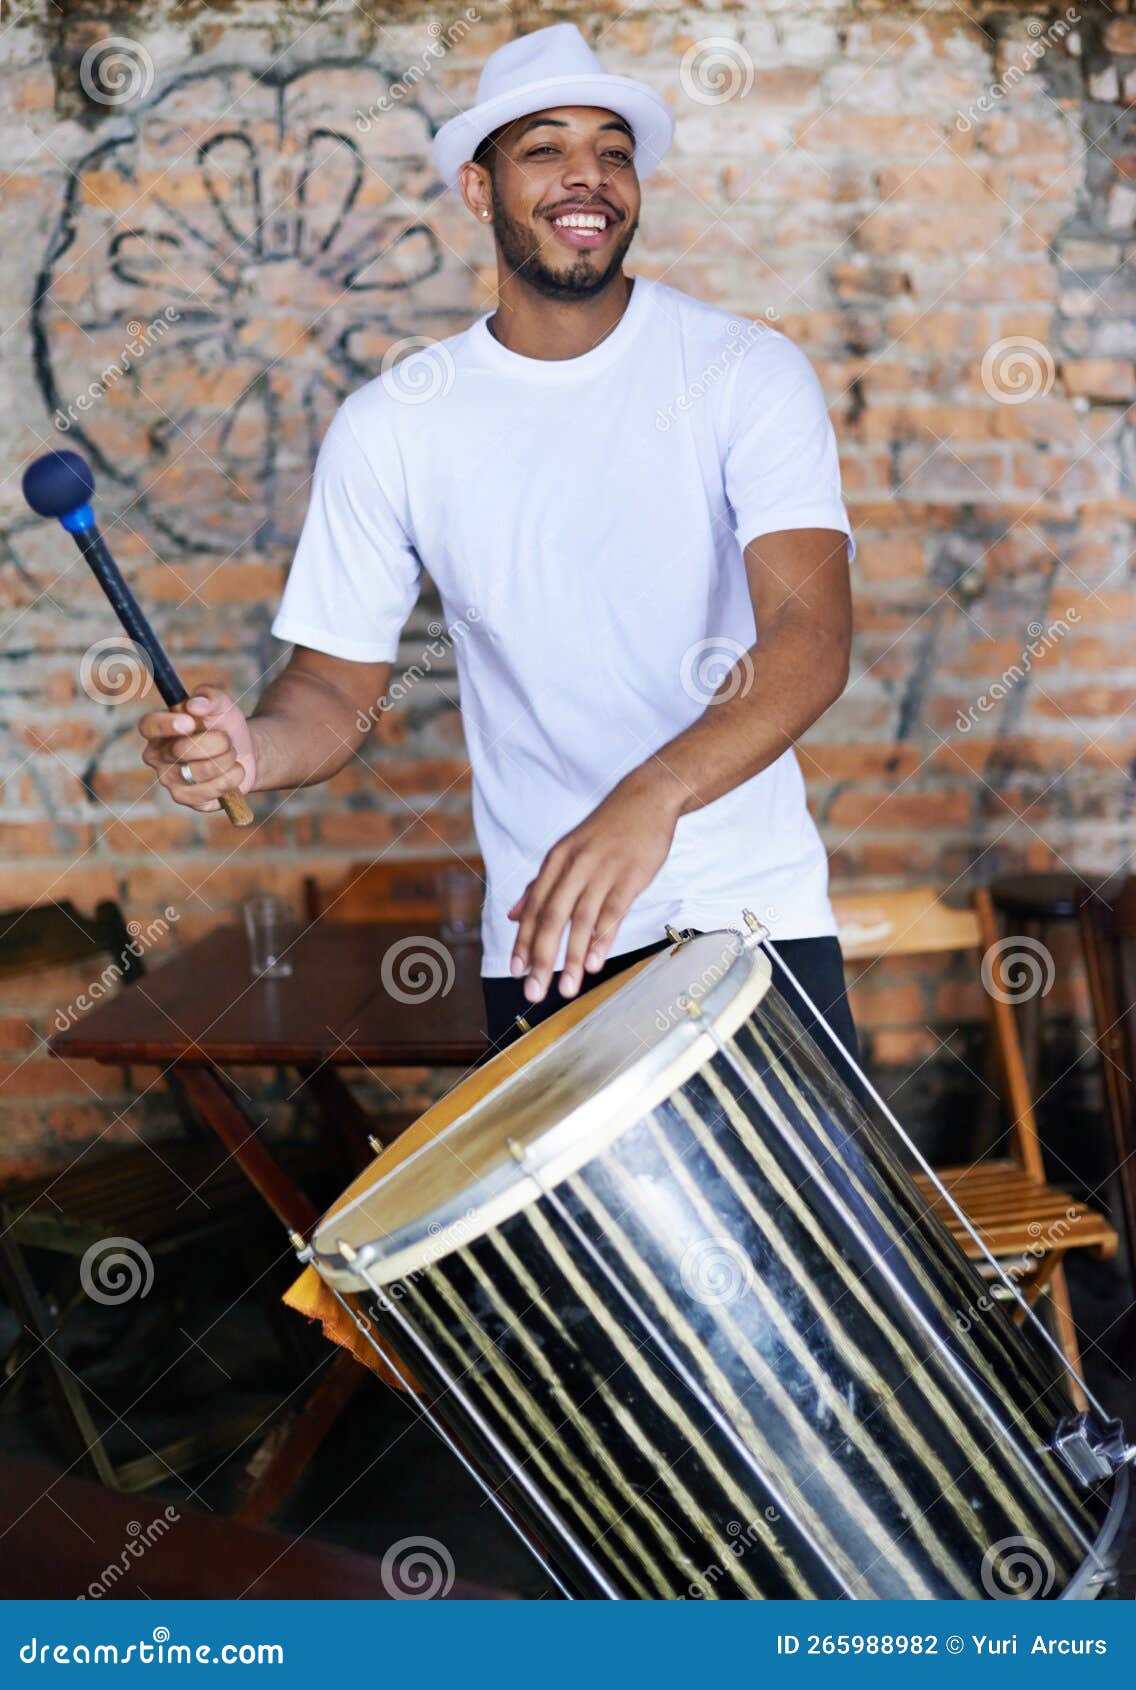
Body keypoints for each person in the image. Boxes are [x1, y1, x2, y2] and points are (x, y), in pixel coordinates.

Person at [137, 22, 860, 1062]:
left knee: (802, 1230)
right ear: (479, 191)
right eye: (546, 149)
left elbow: (809, 638)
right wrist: (252, 746)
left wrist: (647, 798)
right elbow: (331, 692)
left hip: (751, 923)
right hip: (547, 948)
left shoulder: (744, 370)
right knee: (580, 1236)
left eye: (613, 151)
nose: (590, 177)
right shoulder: (396, 424)